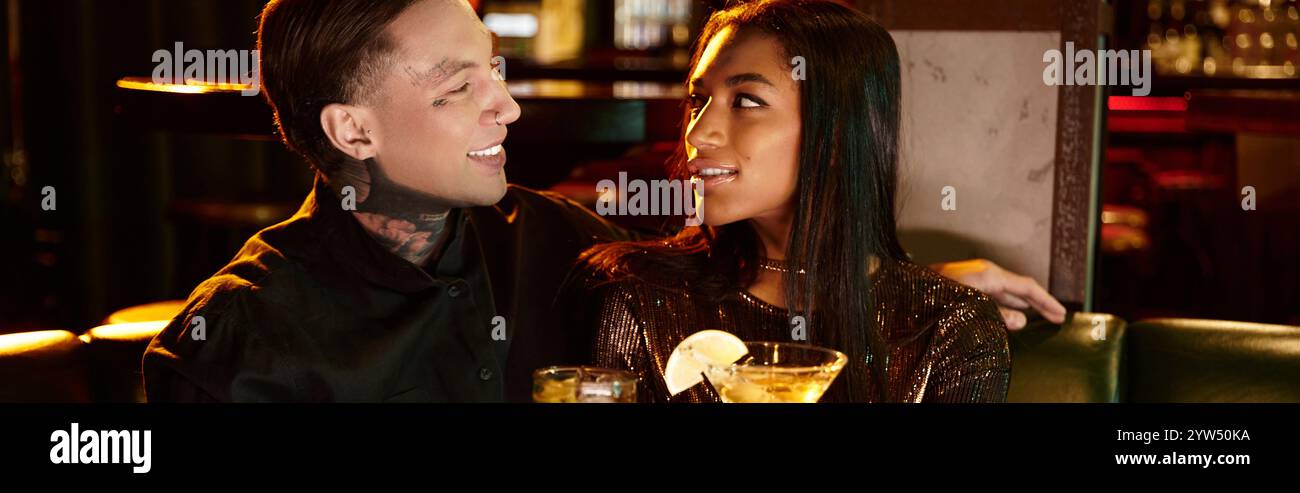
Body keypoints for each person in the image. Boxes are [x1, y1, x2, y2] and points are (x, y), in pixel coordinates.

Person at [144, 0, 1064, 402]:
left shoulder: (549, 243)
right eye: (459, 85)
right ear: (354, 132)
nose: (508, 104)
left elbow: (724, 278)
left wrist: (907, 284)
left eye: (496, 70)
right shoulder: (231, 348)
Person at [586, 0, 1021, 403]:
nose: (698, 133)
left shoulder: (951, 329)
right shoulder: (644, 297)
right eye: (699, 100)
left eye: (746, 101)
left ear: (835, 134)